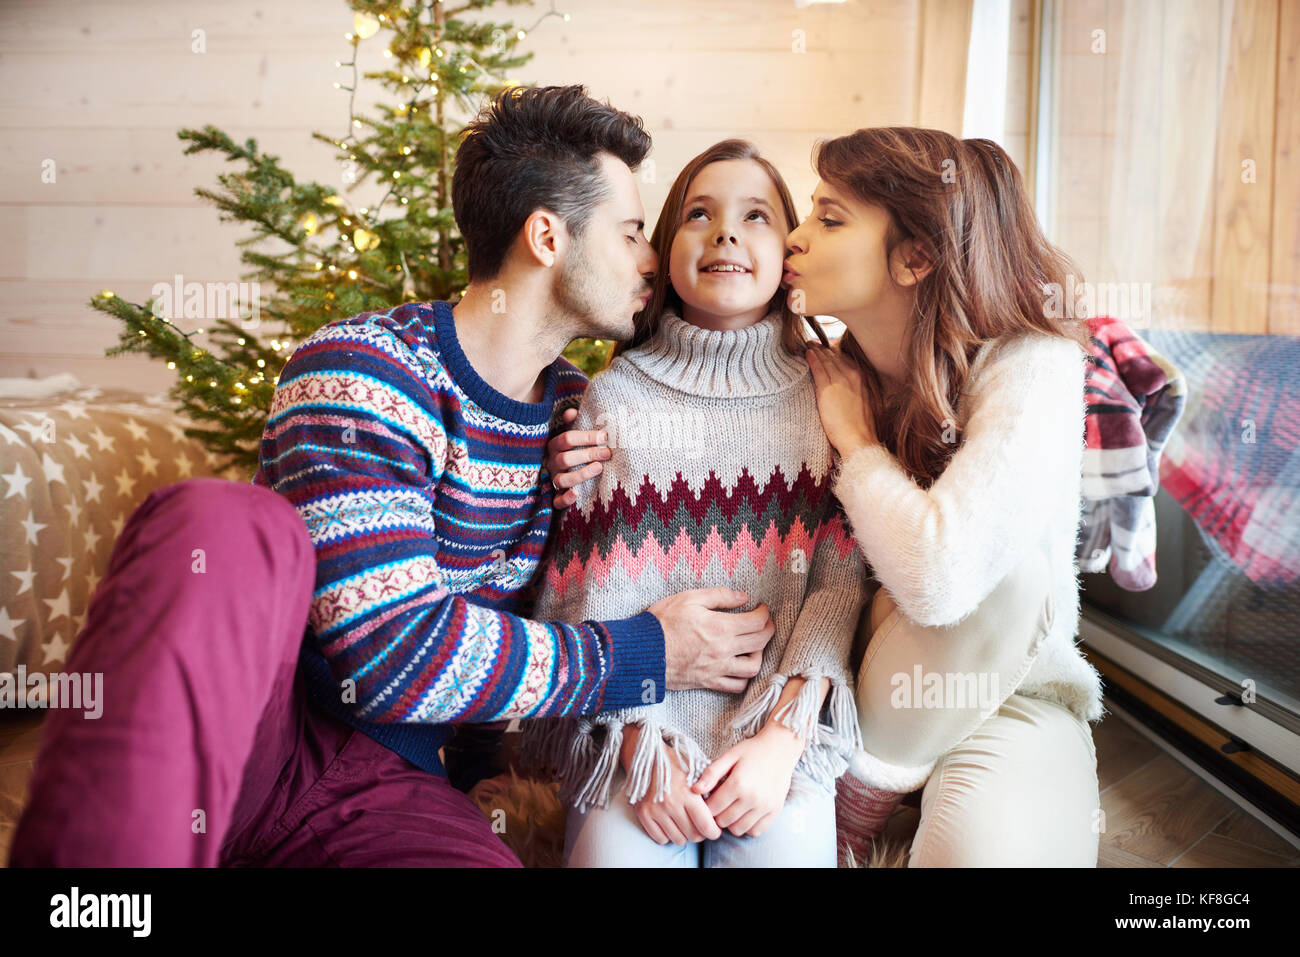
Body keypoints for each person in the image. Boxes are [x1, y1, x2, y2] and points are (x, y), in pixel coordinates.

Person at [8, 85, 776, 868]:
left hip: (395, 787)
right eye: (632, 231)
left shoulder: (582, 422)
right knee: (227, 526)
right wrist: (645, 654)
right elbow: (387, 654)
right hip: (259, 732)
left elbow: (599, 588)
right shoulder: (364, 369)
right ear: (548, 236)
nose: (653, 258)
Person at [521, 140, 869, 868]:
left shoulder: (828, 394)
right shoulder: (611, 398)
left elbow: (838, 588)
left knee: (786, 852)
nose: (726, 233)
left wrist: (783, 738)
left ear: (791, 254)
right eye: (699, 215)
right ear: (663, 250)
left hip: (775, 728)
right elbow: (579, 591)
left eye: (756, 216)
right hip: (635, 732)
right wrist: (638, 742)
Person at [795, 127, 1104, 866]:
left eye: (829, 219)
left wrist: (858, 445)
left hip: (1010, 693)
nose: (795, 239)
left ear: (917, 256)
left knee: (1009, 576)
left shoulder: (1033, 364)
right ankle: (850, 808)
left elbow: (946, 574)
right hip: (853, 688)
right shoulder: (818, 366)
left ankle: (855, 806)